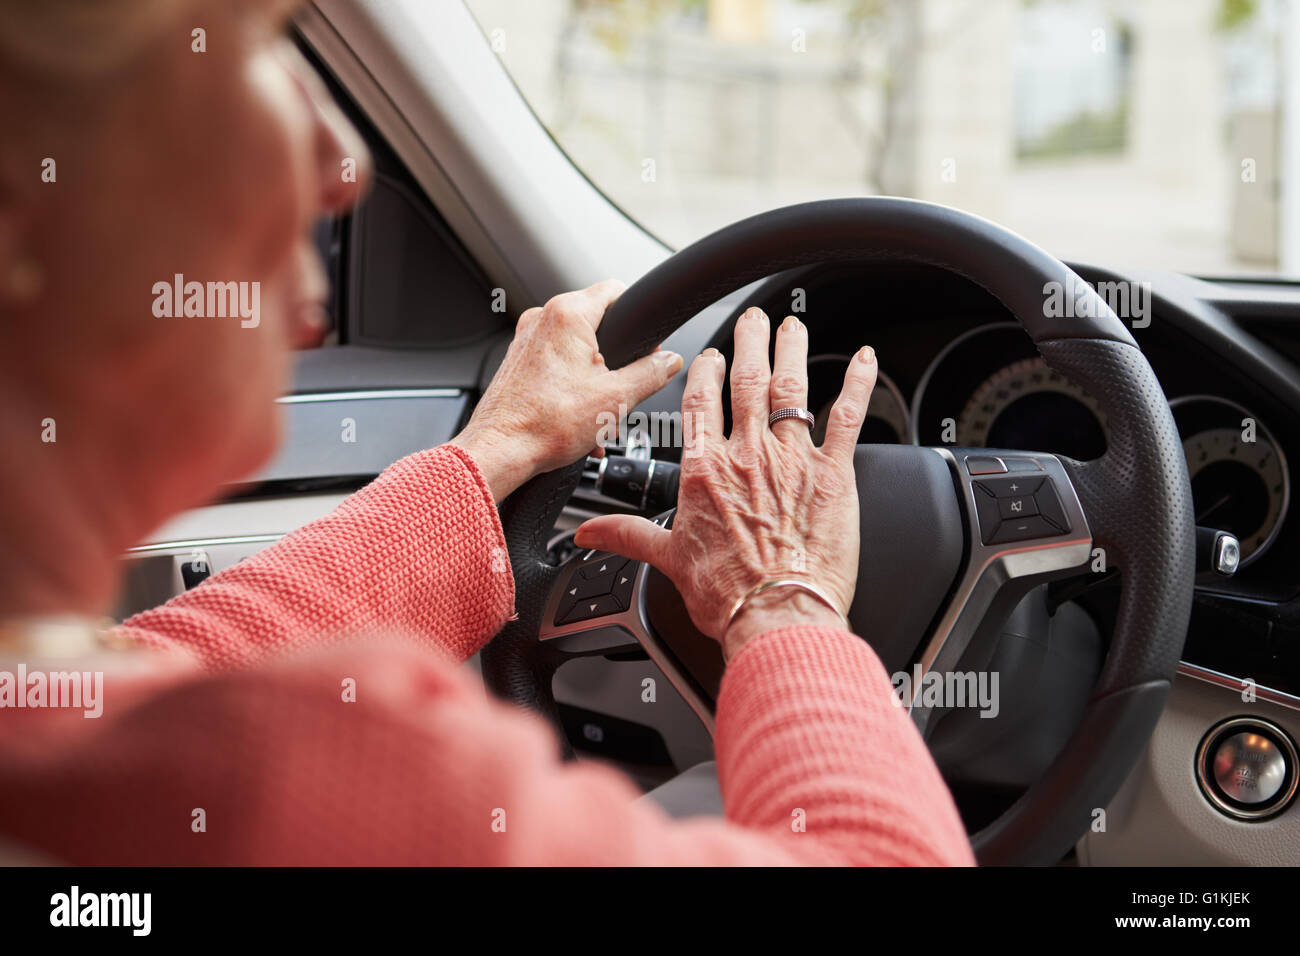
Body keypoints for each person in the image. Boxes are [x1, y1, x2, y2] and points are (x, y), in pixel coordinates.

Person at [0, 0, 973, 865]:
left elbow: (167, 659)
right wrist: (783, 596)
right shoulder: (285, 782)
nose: (342, 160)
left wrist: (494, 450)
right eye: (265, 42)